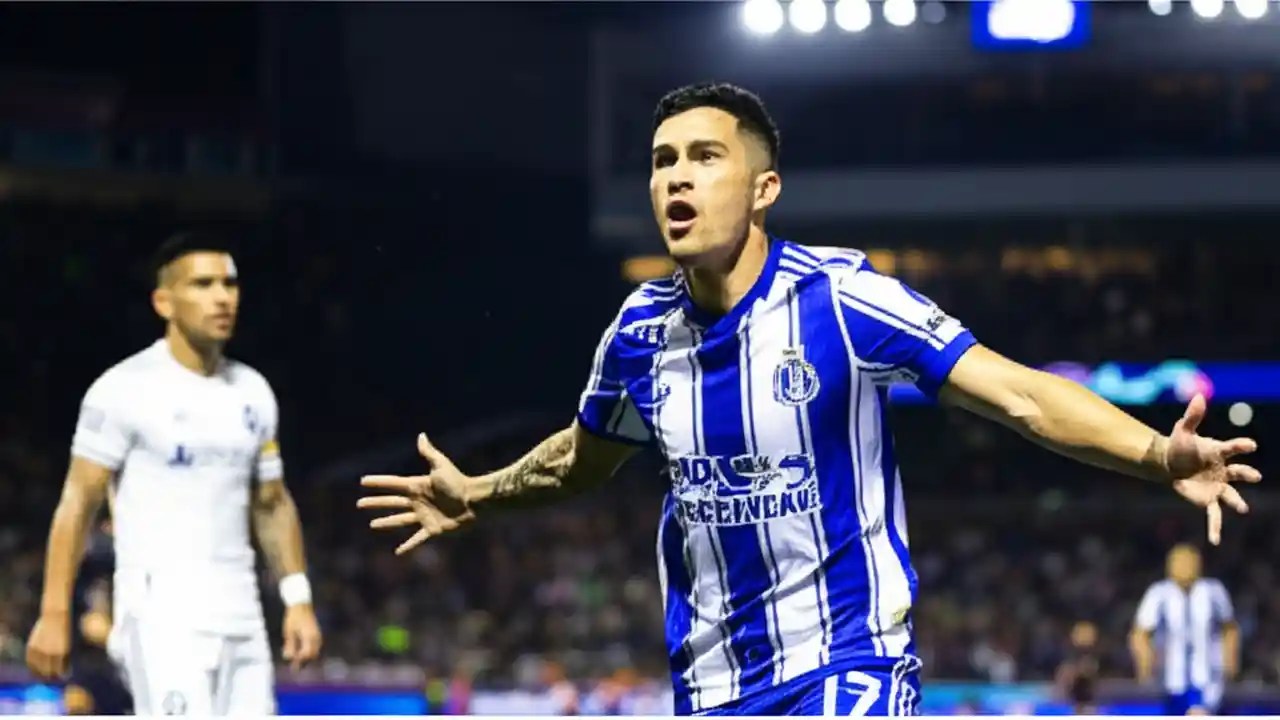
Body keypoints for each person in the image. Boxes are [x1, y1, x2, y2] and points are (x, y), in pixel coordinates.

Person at [357, 83, 1261, 716]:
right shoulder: (638, 333)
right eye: (663, 161)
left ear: (764, 189)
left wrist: (1157, 453)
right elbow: (581, 458)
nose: (676, 177)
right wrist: (478, 493)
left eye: (704, 157)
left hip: (847, 665)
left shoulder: (843, 300)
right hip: (711, 687)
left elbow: (1020, 394)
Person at [26, 233, 323, 715]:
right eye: (203, 284)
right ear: (163, 302)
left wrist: (298, 599)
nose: (222, 297)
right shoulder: (123, 390)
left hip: (241, 612)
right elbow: (78, 504)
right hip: (160, 616)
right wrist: (54, 613)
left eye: (229, 283)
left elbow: (272, 503)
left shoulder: (253, 392)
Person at [1130, 544, 1238, 716]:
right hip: (1170, 679)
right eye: (1179, 562)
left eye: (1189, 562)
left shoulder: (1214, 591)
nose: (1184, 567)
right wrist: (1145, 664)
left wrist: (1230, 661)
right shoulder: (1158, 594)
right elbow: (1141, 632)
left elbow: (1229, 628)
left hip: (1207, 677)